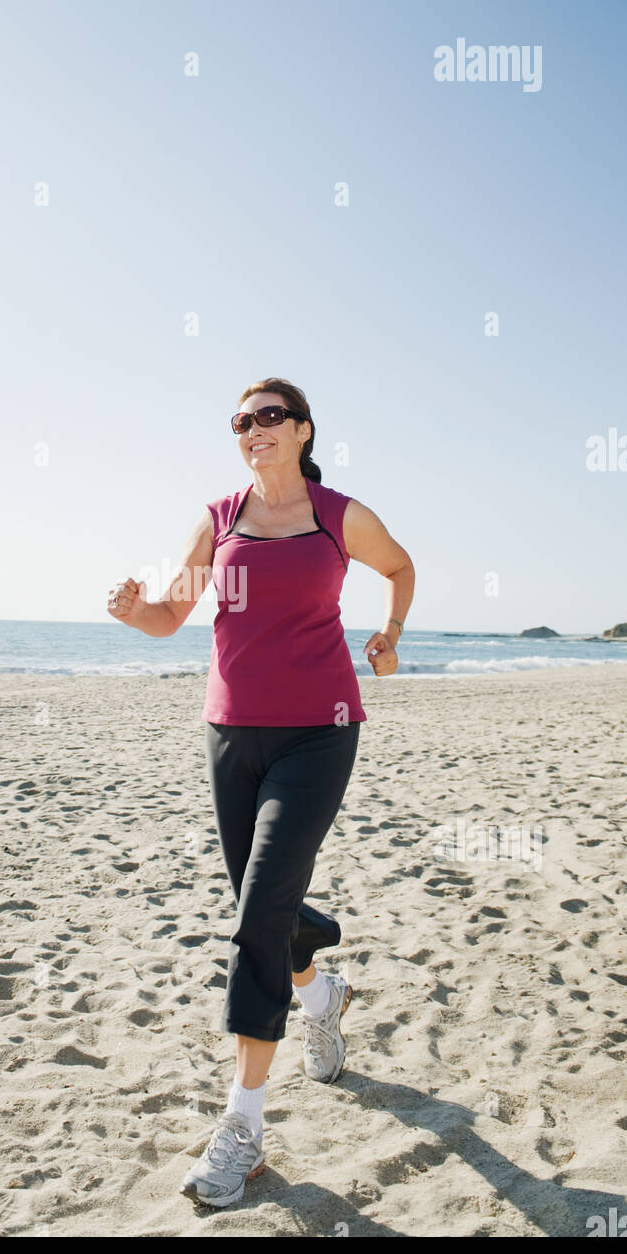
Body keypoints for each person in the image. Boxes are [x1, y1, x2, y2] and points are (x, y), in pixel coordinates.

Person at [106, 378, 414, 1209]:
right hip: (232, 736)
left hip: (321, 729)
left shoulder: (338, 516)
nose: (253, 430)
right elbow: (174, 616)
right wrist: (137, 613)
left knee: (258, 915)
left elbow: (400, 567)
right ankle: (320, 990)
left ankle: (242, 1128)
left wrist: (388, 635)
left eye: (269, 417)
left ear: (304, 429)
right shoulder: (217, 518)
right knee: (264, 904)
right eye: (241, 422)